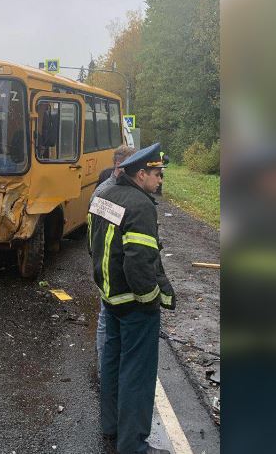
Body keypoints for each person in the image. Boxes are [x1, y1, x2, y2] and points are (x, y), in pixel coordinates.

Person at [89, 142, 176, 454]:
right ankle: (133, 445)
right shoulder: (140, 206)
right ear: (141, 174)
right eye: (158, 173)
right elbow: (138, 263)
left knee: (111, 364)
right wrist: (152, 300)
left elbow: (93, 245)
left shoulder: (103, 194)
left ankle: (111, 427)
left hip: (110, 298)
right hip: (134, 306)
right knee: (136, 375)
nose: (161, 180)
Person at [90, 144, 136, 376]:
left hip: (107, 266)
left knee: (107, 320)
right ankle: (104, 372)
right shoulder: (106, 192)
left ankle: (107, 370)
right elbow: (98, 234)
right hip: (109, 269)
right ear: (120, 165)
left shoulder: (111, 188)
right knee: (106, 321)